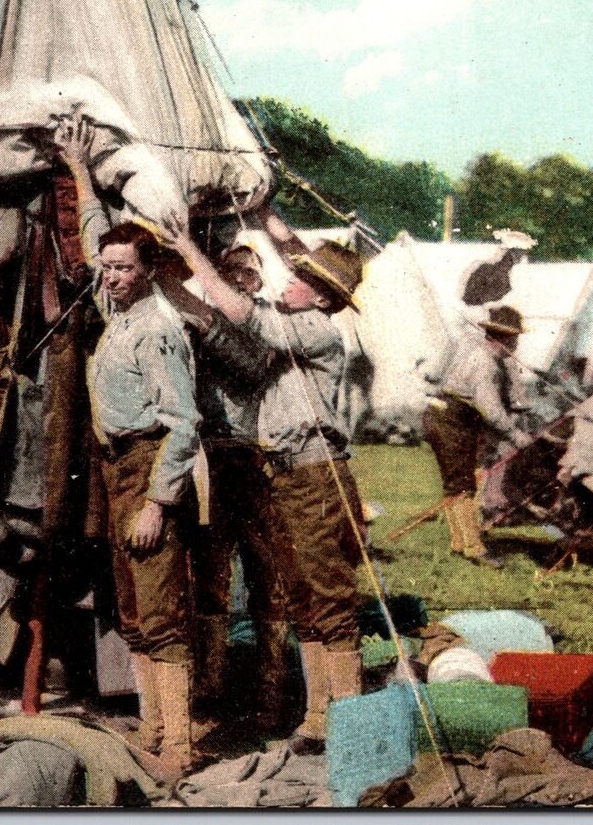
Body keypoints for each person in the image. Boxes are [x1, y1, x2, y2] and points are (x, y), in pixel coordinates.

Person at [170, 212, 367, 756]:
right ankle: (317, 716)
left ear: (322, 297)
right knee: (304, 595)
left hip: (315, 472)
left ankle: (343, 718)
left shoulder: (317, 330)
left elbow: (240, 313)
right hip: (287, 472)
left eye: (300, 280)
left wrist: (189, 250)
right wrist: (270, 224)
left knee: (327, 596)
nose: (288, 283)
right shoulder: (303, 320)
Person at [57, 122, 202, 776]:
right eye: (108, 268)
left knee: (164, 609)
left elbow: (185, 422)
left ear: (148, 273)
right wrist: (80, 169)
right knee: (136, 608)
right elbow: (95, 237)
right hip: (115, 469)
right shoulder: (115, 306)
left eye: (124, 268)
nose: (111, 275)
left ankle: (181, 743)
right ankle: (152, 725)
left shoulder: (156, 329)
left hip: (148, 465)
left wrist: (158, 502)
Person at [157, 243, 289, 732]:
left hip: (257, 459)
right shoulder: (196, 322)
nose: (236, 278)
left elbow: (250, 364)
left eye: (246, 273)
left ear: (258, 283)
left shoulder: (270, 324)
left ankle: (269, 695)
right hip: (211, 457)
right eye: (227, 270)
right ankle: (211, 690)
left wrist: (198, 313)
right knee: (210, 577)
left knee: (265, 576)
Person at [420, 305, 533, 569]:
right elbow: (491, 410)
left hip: (450, 420)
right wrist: (515, 434)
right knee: (462, 486)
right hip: (450, 422)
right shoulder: (485, 365)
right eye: (514, 339)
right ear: (503, 339)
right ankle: (474, 547)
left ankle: (460, 542)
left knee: (458, 484)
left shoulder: (488, 359)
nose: (516, 344)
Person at [462, 229, 536, 307]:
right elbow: (472, 300)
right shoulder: (489, 272)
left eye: (523, 253)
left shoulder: (502, 276)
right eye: (520, 252)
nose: (522, 256)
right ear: (511, 253)